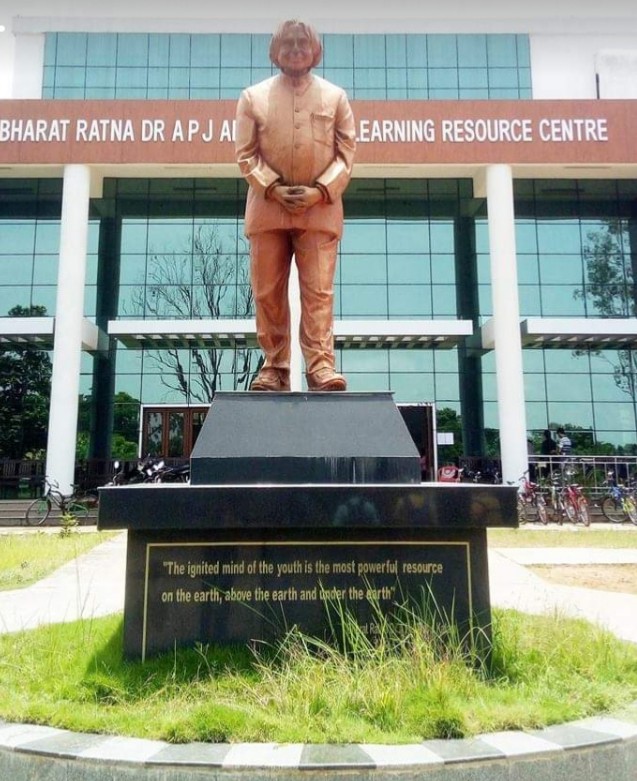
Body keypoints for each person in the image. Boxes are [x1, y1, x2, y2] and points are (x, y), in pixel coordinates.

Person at [235, 19, 356, 392]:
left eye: (302, 45)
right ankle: (275, 366)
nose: (295, 51)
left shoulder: (335, 97)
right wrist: (271, 187)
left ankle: (320, 365)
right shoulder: (253, 97)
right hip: (267, 208)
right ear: (275, 52)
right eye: (287, 45)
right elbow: (245, 154)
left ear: (315, 51)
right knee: (267, 292)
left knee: (318, 292)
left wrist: (321, 190)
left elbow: (346, 153)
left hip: (319, 209)